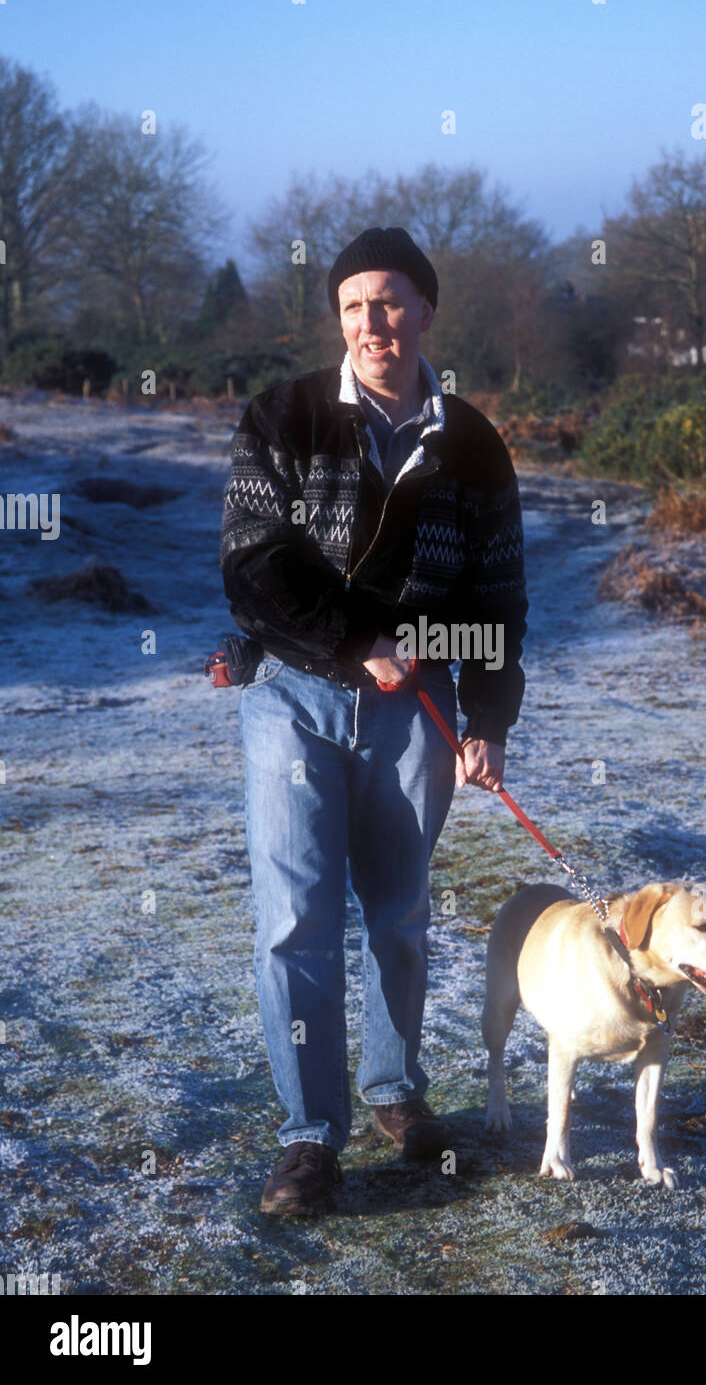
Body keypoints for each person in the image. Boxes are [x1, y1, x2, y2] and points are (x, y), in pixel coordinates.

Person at [219, 226, 528, 1214]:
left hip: (420, 710)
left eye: (389, 303)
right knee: (295, 921)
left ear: (425, 311)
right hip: (291, 699)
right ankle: (309, 1137)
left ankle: (398, 1094)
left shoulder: (473, 443)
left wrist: (488, 714)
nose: (371, 323)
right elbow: (254, 565)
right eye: (353, 306)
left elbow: (498, 592)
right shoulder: (282, 416)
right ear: (337, 318)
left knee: (399, 914)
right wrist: (358, 640)